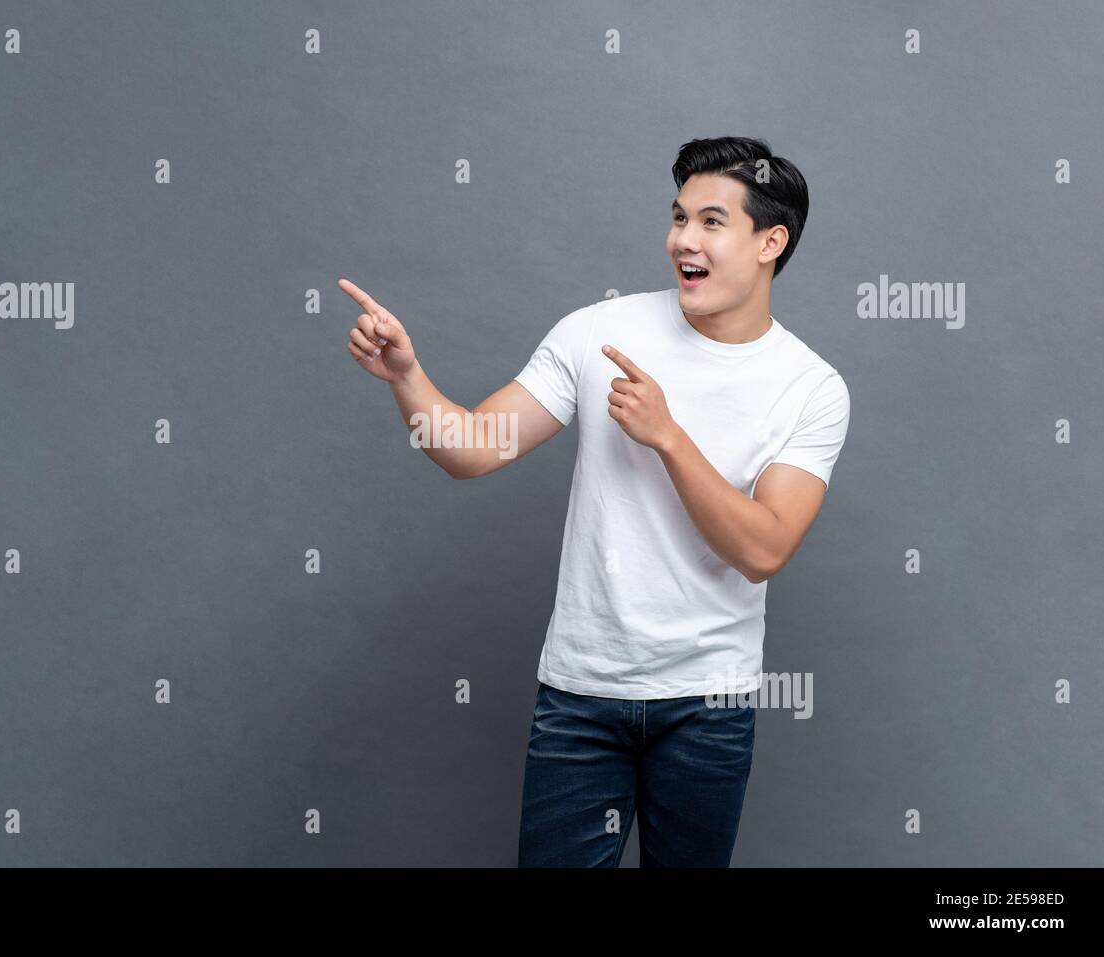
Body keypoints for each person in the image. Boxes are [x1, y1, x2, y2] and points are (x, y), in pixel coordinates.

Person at [339, 135, 850, 867]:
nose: (683, 239)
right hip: (581, 695)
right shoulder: (598, 332)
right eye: (678, 218)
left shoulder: (811, 387)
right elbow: (472, 449)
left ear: (771, 241)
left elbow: (762, 548)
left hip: (709, 705)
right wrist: (406, 377)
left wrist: (668, 436)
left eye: (711, 221)